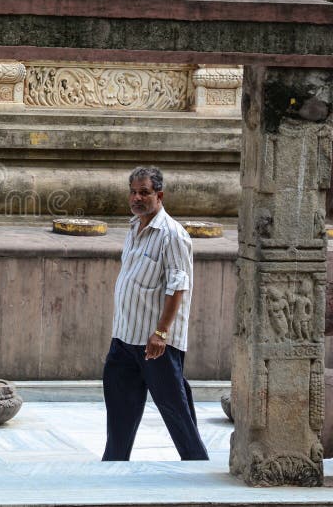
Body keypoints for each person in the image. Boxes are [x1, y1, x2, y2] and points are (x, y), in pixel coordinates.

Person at [102, 166, 208, 461]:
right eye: (133, 192)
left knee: (177, 415)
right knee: (119, 413)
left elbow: (178, 287)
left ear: (159, 196)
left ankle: (198, 466)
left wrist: (161, 333)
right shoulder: (134, 227)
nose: (137, 198)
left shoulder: (173, 235)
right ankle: (113, 465)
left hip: (155, 346)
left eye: (144, 193)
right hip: (124, 338)